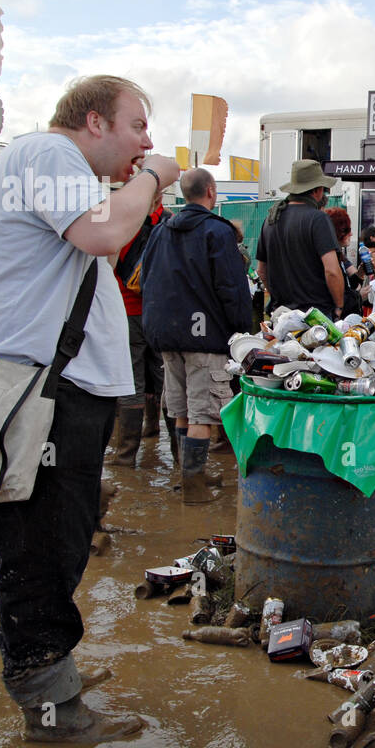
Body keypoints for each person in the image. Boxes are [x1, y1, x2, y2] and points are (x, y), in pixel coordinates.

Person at [0, 74, 181, 743]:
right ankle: (49, 708)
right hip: (45, 394)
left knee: (54, 540)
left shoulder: (50, 167)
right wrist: (156, 177)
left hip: (54, 390)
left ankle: (54, 676)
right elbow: (104, 233)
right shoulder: (47, 154)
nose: (146, 140)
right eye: (137, 125)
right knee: (42, 551)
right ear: (93, 122)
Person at [141, 167, 252, 503]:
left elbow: (147, 279)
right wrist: (242, 335)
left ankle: (190, 475)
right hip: (205, 337)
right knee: (203, 411)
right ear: (211, 192)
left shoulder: (161, 231)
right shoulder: (217, 232)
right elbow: (232, 289)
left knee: (181, 409)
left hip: (167, 335)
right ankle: (194, 488)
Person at [110, 192, 169, 465]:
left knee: (132, 379)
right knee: (164, 377)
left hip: (126, 309)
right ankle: (181, 459)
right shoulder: (169, 222)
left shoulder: (121, 223)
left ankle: (125, 455)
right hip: (160, 312)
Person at [255, 160, 345, 318]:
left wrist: (278, 298)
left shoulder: (271, 219)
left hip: (281, 315)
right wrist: (339, 305)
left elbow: (262, 271)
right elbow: (331, 271)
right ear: (317, 190)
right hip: (315, 317)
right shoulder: (318, 219)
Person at [326, 207, 365, 317]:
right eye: (347, 230)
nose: (351, 234)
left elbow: (346, 286)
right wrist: (358, 296)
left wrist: (360, 274)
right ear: (338, 232)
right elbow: (338, 296)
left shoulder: (338, 255)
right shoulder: (330, 258)